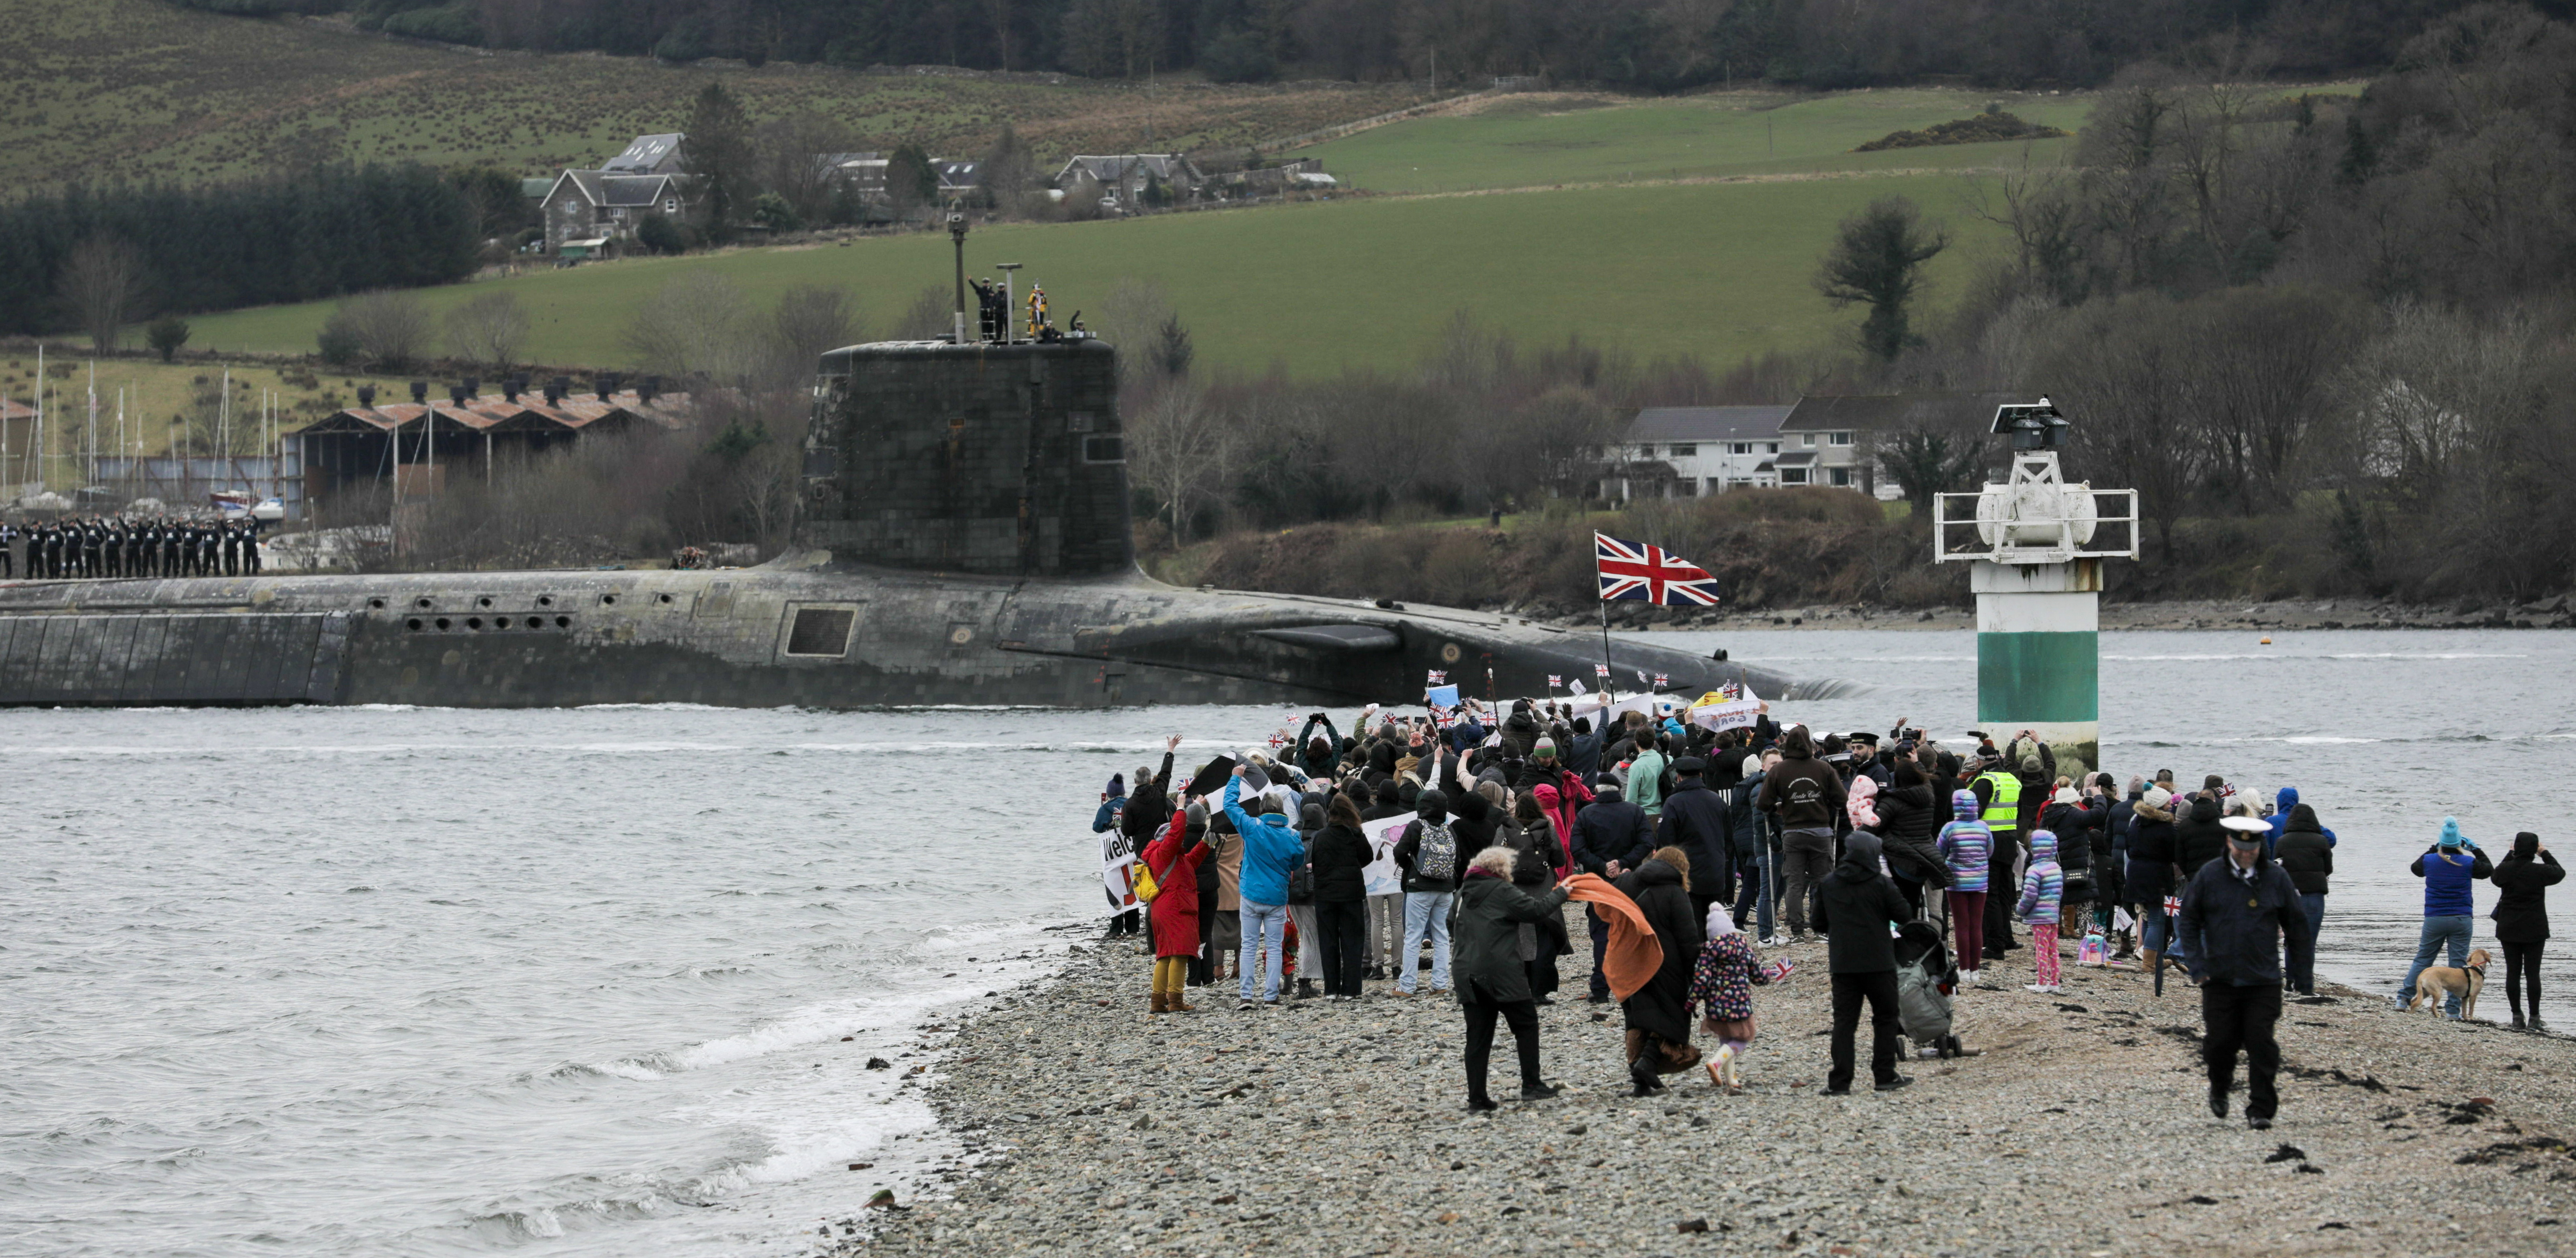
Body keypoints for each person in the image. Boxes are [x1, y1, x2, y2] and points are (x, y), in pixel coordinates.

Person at [2176, 820, 2312, 1130]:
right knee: (2219, 1043)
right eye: (2241, 849)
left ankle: (2261, 1108)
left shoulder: (2276, 877)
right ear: (2228, 843)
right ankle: (2220, 1087)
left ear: (2259, 848)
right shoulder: (2210, 875)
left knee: (2261, 1043)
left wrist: (2302, 975)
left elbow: (2297, 925)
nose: (2246, 855)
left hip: (2263, 978)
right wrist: (2196, 966)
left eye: (2252, 850)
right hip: (2218, 978)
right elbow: (2189, 921)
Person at [1451, 846, 1571, 1109]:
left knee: (1478, 1036)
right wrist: (1563, 892)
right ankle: (1531, 1084)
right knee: (1526, 1023)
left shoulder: (1461, 894)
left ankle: (1477, 1098)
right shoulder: (1502, 890)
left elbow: (1451, 924)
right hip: (1499, 970)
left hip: (1465, 970)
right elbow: (1536, 910)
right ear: (1503, 869)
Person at [1812, 832, 1914, 1094]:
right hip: (1879, 962)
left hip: (1844, 963)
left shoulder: (1829, 883)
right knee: (1885, 1018)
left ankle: (1839, 1082)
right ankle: (1884, 1075)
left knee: (1844, 1023)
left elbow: (1817, 923)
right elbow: (1904, 914)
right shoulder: (1881, 883)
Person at [1616, 845, 1703, 1094]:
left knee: (1637, 1020)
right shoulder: (1675, 892)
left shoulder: (1626, 882)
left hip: (1629, 960)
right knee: (1672, 1017)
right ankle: (1648, 1063)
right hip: (1665, 964)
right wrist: (1695, 976)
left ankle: (1640, 1083)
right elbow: (1688, 940)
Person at [2396, 818, 2492, 1018]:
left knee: (2423, 959)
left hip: (2435, 918)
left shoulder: (2430, 861)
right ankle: (2453, 1011)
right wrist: (2476, 849)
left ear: (2441, 842)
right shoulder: (2468, 862)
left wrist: (2434, 847)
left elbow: (2416, 869)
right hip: (2461, 919)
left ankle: (2403, 999)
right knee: (2458, 966)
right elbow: (2488, 870)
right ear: (2460, 844)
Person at [1222, 770, 1303, 1009]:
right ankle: (1270, 997)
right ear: (1281, 811)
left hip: (1250, 894)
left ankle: (1246, 997)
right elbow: (1298, 862)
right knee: (1274, 947)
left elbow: (1229, 804)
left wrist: (1235, 777)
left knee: (1248, 945)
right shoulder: (1292, 836)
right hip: (1277, 896)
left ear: (1263, 809)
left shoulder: (1251, 827)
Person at [1757, 726, 1846, 943]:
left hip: (1793, 833)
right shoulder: (1824, 769)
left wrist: (1779, 805)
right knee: (1822, 881)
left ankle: (1797, 931)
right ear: (1812, 745)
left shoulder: (1779, 771)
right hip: (1821, 832)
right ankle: (1821, 930)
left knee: (1795, 883)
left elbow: (1762, 804)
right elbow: (1842, 800)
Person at [1569, 778, 1653, 1002]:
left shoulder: (1587, 814)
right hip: (1630, 881)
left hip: (1599, 882)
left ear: (1597, 791)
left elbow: (1577, 848)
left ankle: (1600, 989)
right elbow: (1647, 842)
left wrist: (1601, 865)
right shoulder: (1635, 811)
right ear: (1619, 790)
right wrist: (1624, 863)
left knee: (1602, 933)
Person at [1686, 903, 1771, 1092]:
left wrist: (1691, 1001)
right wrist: (1769, 976)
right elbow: (1758, 975)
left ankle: (1733, 1081)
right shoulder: (1743, 948)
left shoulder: (1708, 952)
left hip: (1716, 1008)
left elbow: (1701, 981)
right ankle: (1716, 1063)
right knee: (1741, 1040)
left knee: (1725, 1040)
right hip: (1740, 1007)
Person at [1391, 789, 1461, 997]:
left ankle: (1407, 986)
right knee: (1442, 935)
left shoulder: (1416, 826)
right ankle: (1440, 984)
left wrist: (1413, 867)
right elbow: (1457, 860)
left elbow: (1399, 852)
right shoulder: (1449, 829)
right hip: (1446, 889)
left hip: (1419, 887)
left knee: (1413, 936)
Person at [2491, 833, 2563, 1031]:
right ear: (2534, 850)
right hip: (2535, 928)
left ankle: (2516, 1017)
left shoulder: (2505, 870)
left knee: (2513, 972)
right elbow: (2560, 872)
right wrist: (2545, 852)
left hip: (2508, 928)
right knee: (2533, 974)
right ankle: (2534, 1019)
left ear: (2516, 847)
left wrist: (2510, 853)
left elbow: (2496, 876)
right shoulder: (2540, 871)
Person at [1144, 802, 1211, 1014]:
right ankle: (1175, 1000)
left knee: (1165, 956)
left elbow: (1191, 862)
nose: (1180, 839)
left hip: (1164, 909)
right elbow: (1178, 830)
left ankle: (1158, 1002)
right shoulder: (1164, 852)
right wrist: (1181, 808)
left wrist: (1206, 843)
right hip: (1176, 909)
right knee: (1179, 955)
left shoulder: (1171, 858)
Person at [1309, 794, 1375, 1002]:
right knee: (1353, 941)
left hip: (1326, 895)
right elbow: (1368, 858)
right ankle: (1351, 989)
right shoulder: (1356, 835)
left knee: (1328, 942)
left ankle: (1331, 989)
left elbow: (1315, 862)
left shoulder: (1320, 836)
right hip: (1351, 894)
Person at [1657, 756, 1733, 925]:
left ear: (1678, 778)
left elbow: (1666, 842)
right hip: (1715, 871)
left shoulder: (1674, 803)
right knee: (1715, 924)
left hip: (1688, 874)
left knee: (1692, 926)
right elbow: (1729, 838)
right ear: (1701, 775)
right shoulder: (1717, 801)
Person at [2272, 804, 2334, 996]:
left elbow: (2276, 867)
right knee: (2309, 942)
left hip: (2290, 895)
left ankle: (2290, 982)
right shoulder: (2321, 841)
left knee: (2292, 939)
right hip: (2315, 895)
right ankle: (2305, 985)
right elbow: (2328, 868)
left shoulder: (2282, 841)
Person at [1936, 790, 1993, 988]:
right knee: (1976, 925)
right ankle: (1976, 971)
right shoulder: (1984, 827)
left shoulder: (1949, 828)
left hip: (1957, 883)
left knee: (1961, 925)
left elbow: (1940, 853)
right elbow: (1990, 851)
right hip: (1980, 882)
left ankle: (1964, 970)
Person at [2127, 786, 2180, 974]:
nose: (2171, 804)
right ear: (2159, 805)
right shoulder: (2165, 827)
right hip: (2156, 874)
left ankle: (2153, 959)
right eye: (2168, 802)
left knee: (2147, 916)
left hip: (2135, 873)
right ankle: (2149, 963)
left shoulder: (2136, 822)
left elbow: (2128, 846)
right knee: (2157, 919)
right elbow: (2175, 852)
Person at [2013, 828, 2066, 994]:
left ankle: (2042, 982)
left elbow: (2029, 895)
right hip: (2053, 916)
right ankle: (2055, 982)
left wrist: (2020, 909)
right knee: (2053, 950)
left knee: (2041, 950)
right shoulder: (2056, 868)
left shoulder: (2035, 871)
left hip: (2039, 917)